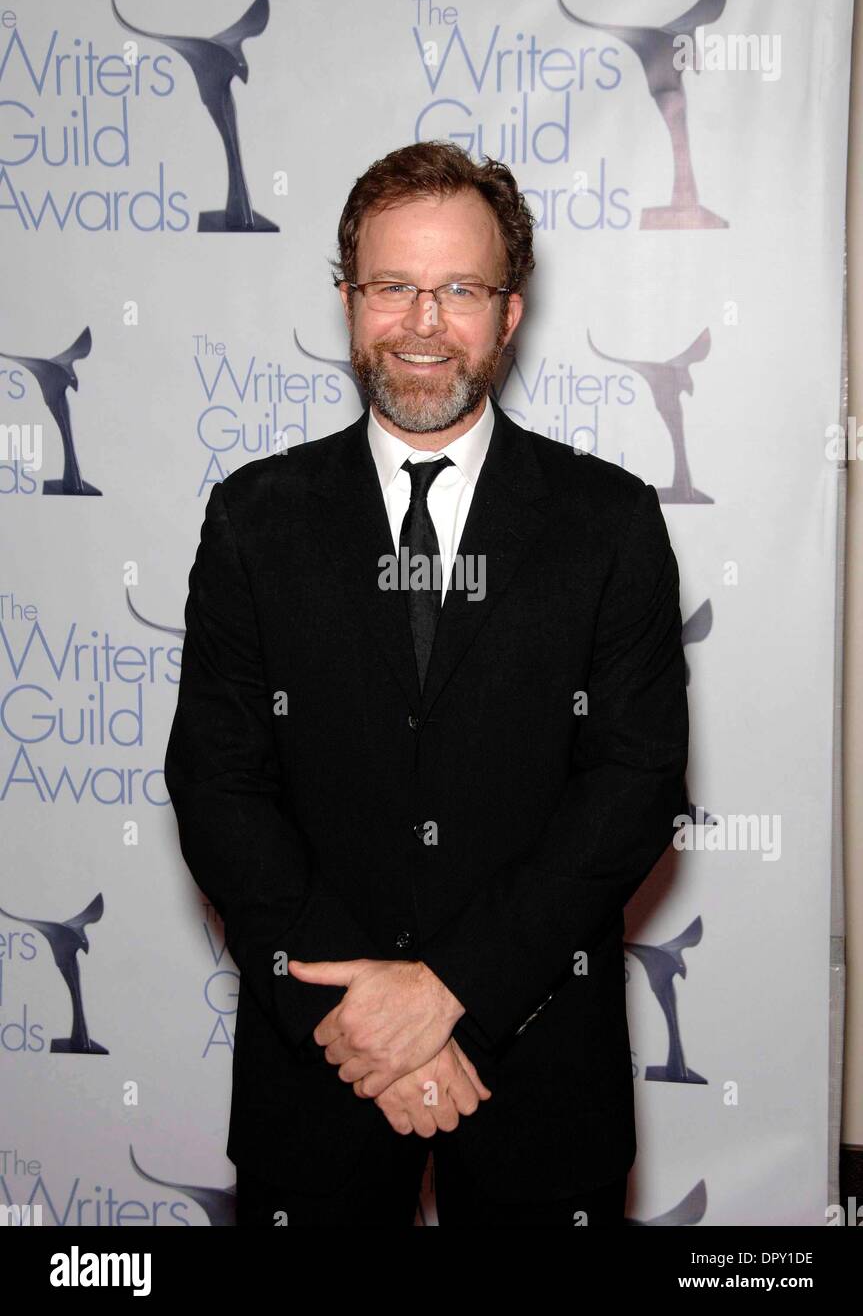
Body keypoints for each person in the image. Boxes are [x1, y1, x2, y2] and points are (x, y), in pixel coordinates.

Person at [164, 139, 690, 1227]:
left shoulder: (608, 523)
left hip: (540, 1073)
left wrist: (447, 992)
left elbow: (630, 787)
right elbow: (218, 787)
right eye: (391, 286)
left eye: (457, 288)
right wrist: (364, 1024)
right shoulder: (254, 519)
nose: (419, 324)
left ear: (508, 312)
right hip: (318, 1065)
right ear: (348, 301)